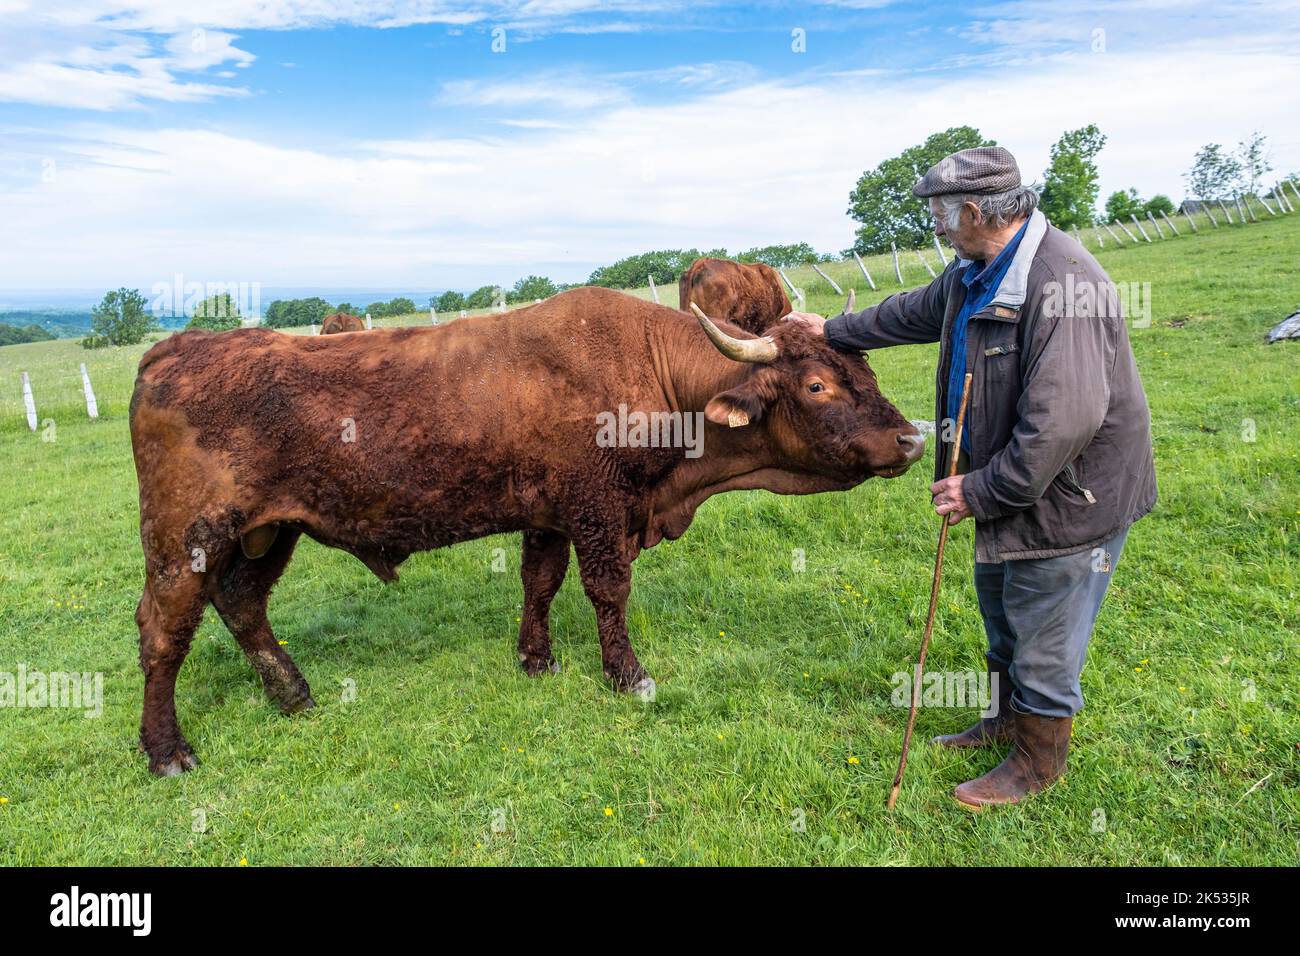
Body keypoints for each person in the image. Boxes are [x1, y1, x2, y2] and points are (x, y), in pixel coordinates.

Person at [788, 146, 1157, 808]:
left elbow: (1063, 424)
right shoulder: (975, 271)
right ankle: (1001, 722)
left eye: (936, 212)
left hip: (1068, 497)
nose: (932, 224)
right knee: (1003, 613)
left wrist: (980, 489)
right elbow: (911, 313)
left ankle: (1037, 764)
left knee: (1043, 630)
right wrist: (832, 329)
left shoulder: (1060, 283)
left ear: (967, 210)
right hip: (1014, 486)